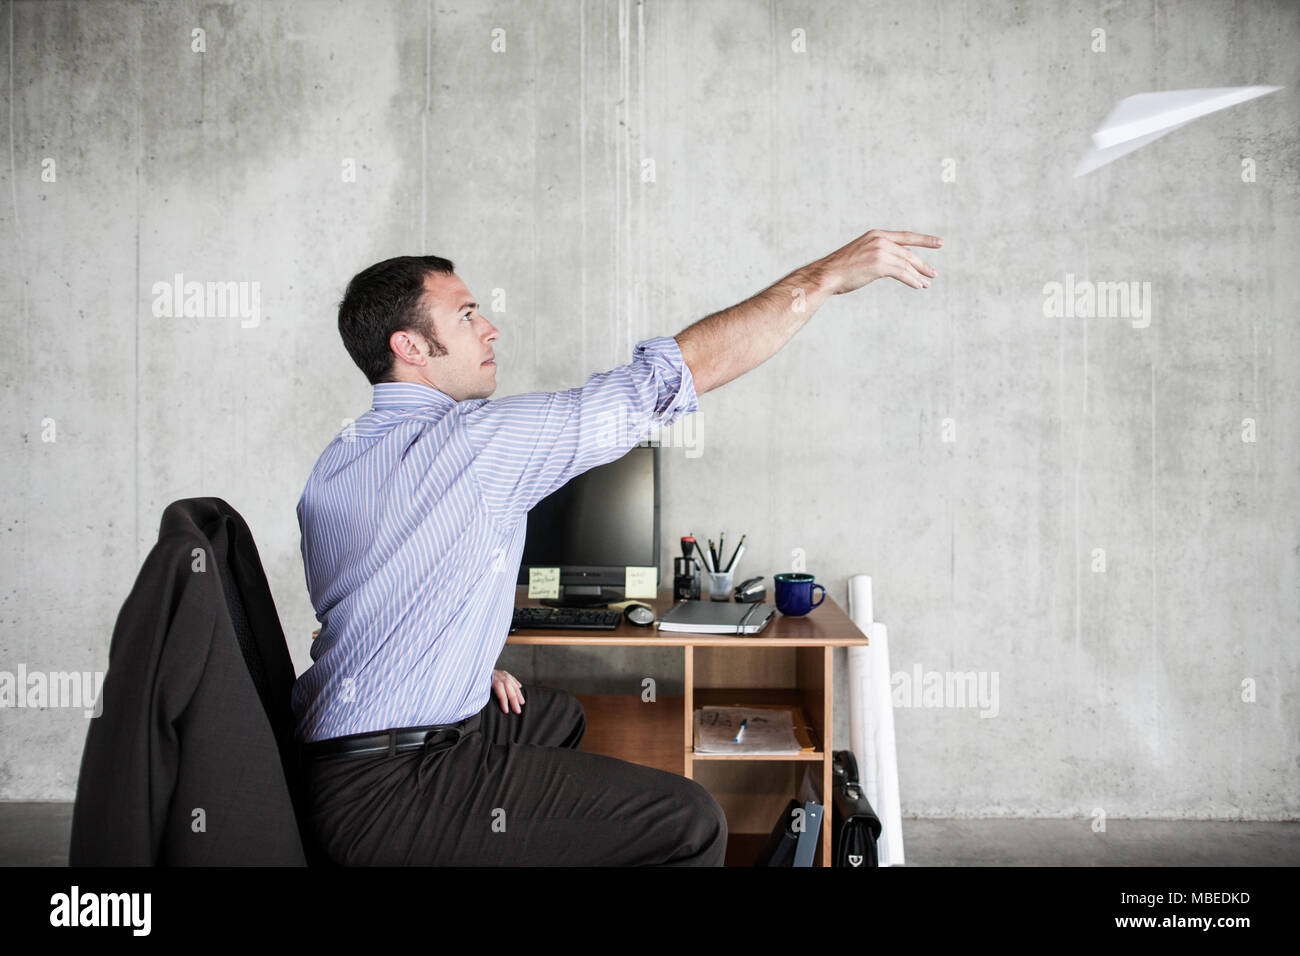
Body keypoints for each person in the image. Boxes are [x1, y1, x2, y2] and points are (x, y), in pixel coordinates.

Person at [292, 227, 942, 866]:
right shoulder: (475, 445)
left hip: (334, 761)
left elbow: (375, 595)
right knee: (688, 823)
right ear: (409, 345)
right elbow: (664, 381)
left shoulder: (342, 460)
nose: (490, 328)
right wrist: (820, 280)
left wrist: (456, 665)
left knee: (555, 716)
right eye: (466, 315)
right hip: (393, 793)